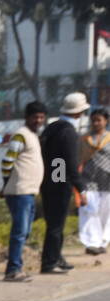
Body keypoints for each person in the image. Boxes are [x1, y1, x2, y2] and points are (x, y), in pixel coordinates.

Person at [39, 91, 90, 274]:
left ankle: (56, 256)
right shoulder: (68, 132)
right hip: (59, 183)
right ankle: (49, 262)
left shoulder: (52, 127)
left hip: (48, 179)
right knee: (56, 224)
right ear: (79, 113)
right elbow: (70, 162)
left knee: (54, 222)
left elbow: (56, 160)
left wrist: (54, 178)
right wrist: (80, 188)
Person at [0, 100, 47, 281]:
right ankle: (13, 270)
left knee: (24, 232)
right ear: (27, 117)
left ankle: (16, 266)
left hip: (29, 191)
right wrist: (6, 184)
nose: (38, 120)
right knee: (19, 232)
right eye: (35, 117)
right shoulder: (21, 135)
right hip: (20, 191)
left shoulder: (33, 136)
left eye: (41, 117)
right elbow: (7, 162)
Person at [78, 107, 110, 255]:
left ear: (106, 121)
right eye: (93, 120)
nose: (96, 123)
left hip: (107, 179)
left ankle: (103, 242)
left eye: (99, 120)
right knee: (90, 210)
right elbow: (79, 158)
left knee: (105, 212)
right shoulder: (84, 139)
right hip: (89, 178)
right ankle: (91, 243)